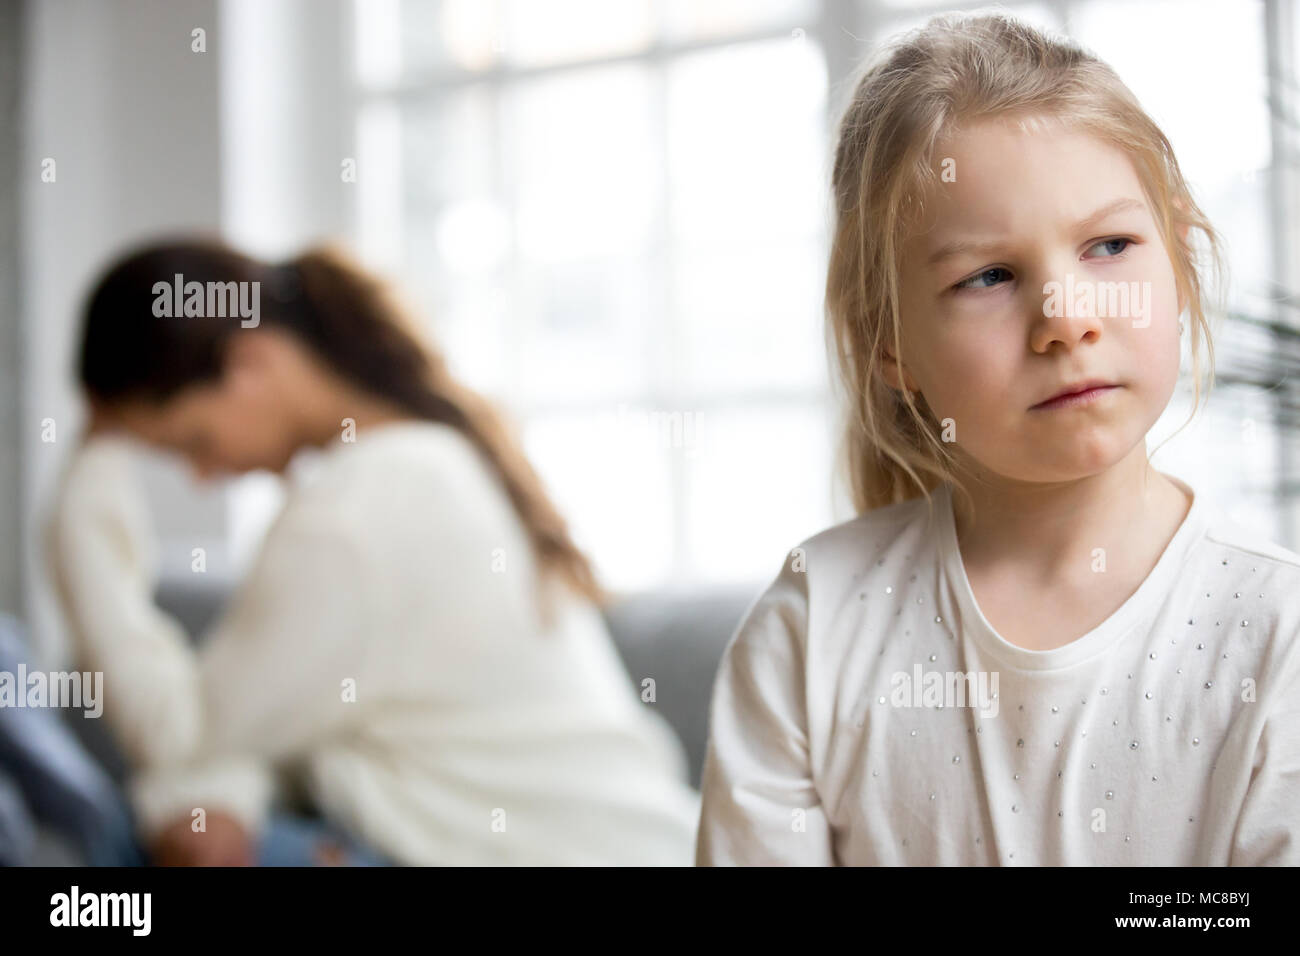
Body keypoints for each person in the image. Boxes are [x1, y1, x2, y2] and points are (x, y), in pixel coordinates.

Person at [696, 12, 1300, 865]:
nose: (1066, 319)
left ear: (1179, 263)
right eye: (988, 276)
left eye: (1110, 245)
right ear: (889, 344)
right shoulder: (812, 628)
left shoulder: (1278, 634)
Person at [49, 238, 700, 865]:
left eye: (193, 440)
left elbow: (179, 741)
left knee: (126, 837)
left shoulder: (350, 513)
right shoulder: (422, 461)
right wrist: (226, 790)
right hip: (628, 845)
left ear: (251, 362)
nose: (203, 474)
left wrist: (80, 513)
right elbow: (275, 727)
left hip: (541, 854)